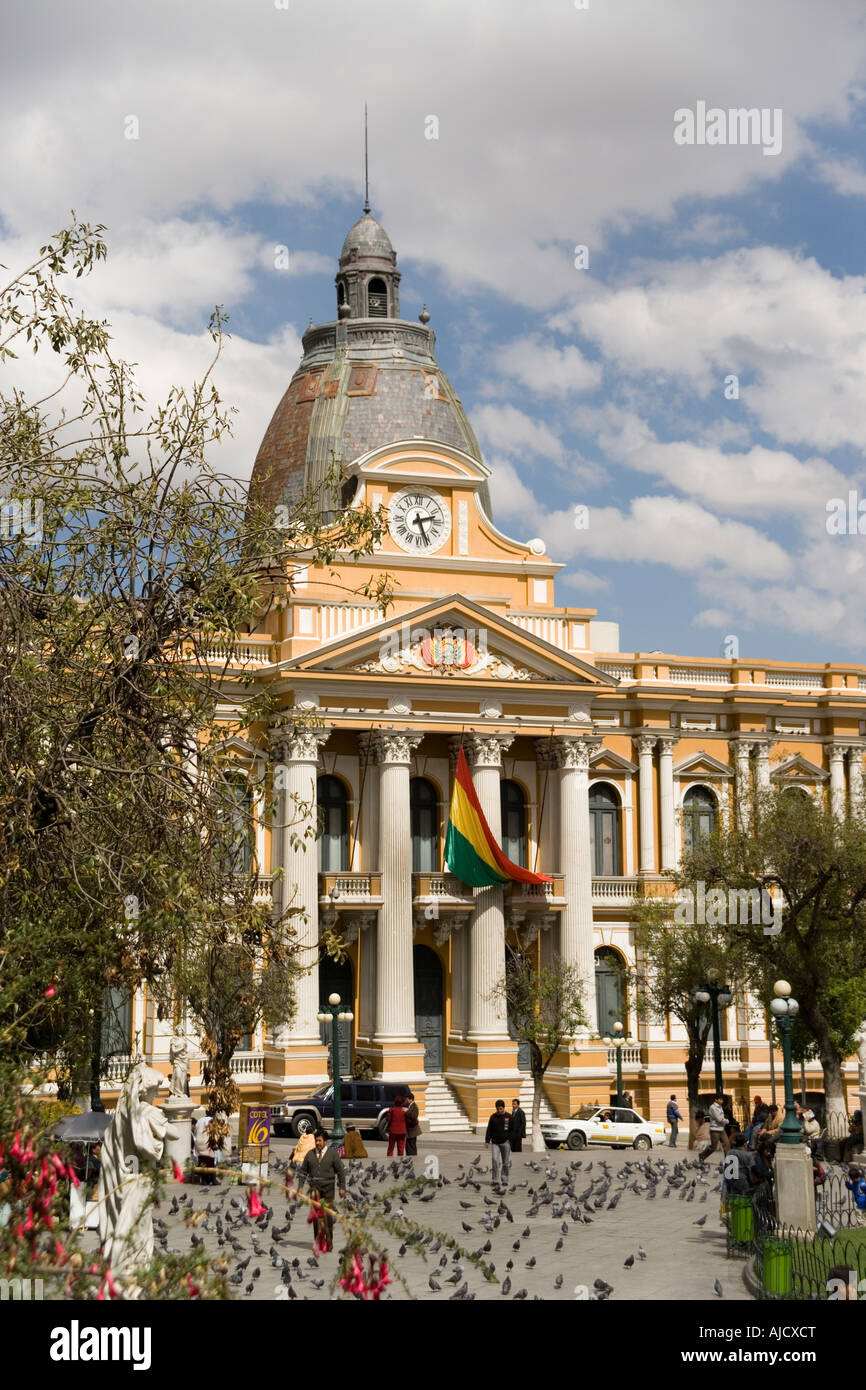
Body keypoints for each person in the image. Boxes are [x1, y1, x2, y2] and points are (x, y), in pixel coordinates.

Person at [299, 1128, 346, 1253]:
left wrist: (342, 1187)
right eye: (316, 1140)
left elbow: (341, 1172)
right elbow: (303, 1171)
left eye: (319, 1140)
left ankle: (329, 1241)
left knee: (328, 1216)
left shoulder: (333, 1154)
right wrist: (300, 1186)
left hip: (329, 1187)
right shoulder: (310, 1154)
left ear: (325, 1141)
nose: (317, 1143)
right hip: (315, 1188)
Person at [485, 1099, 512, 1191]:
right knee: (495, 1160)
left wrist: (510, 1140)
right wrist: (487, 1141)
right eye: (497, 1109)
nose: (499, 1110)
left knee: (505, 1162)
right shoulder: (493, 1117)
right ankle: (495, 1180)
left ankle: (505, 1179)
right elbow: (489, 1129)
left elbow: (513, 1129)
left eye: (500, 1108)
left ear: (504, 1108)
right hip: (495, 1143)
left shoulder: (509, 1117)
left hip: (505, 1143)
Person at [193, 1110, 219, 1185]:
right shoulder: (212, 1120)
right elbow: (215, 1133)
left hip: (199, 1143)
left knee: (202, 1161)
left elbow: (195, 1131)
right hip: (208, 1143)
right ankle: (213, 1179)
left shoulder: (200, 1120)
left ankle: (204, 1180)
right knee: (211, 1161)